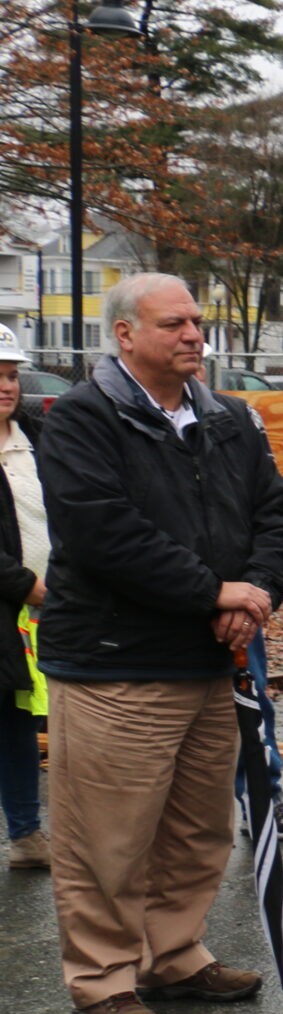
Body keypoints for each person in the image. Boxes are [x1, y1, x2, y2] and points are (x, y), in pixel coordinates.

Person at [39, 274, 283, 1014]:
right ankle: (103, 979)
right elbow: (101, 534)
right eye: (174, 323)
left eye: (197, 321)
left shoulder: (230, 419)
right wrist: (214, 594)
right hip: (116, 663)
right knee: (108, 838)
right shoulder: (83, 420)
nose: (195, 335)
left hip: (209, 663)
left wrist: (255, 590)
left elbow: (274, 513)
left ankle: (175, 953)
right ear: (125, 334)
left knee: (197, 830)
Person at [0, 325, 49, 869]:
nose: (6, 386)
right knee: (8, 720)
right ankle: (25, 831)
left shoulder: (38, 437)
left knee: (22, 718)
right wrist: (27, 585)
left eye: (11, 376)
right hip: (19, 602)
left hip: (45, 611)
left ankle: (27, 836)